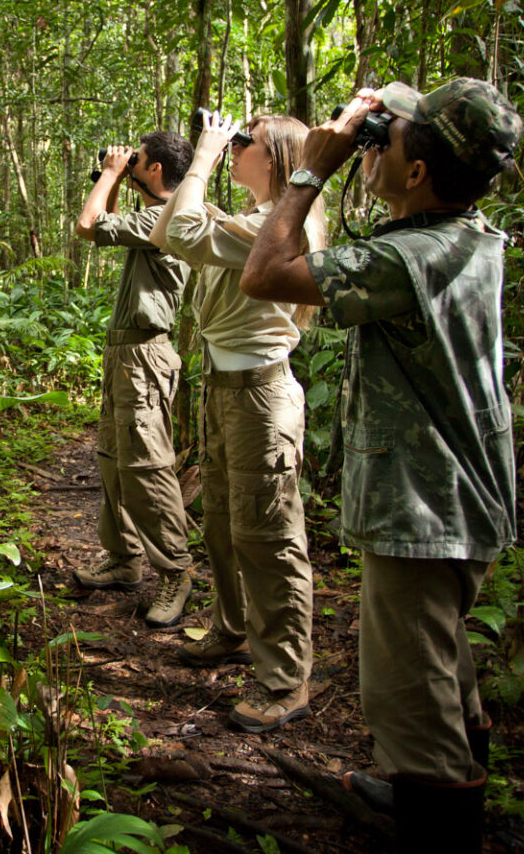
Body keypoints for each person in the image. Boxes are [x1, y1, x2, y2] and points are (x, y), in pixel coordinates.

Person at [234, 79, 521, 853]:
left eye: (388, 142)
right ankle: (430, 788)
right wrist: (384, 122)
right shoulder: (468, 233)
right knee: (442, 661)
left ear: (422, 172)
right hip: (461, 492)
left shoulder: (411, 258)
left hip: (426, 503)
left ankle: (433, 813)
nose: (373, 146)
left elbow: (263, 276)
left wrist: (309, 171)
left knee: (411, 690)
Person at [148, 113, 327, 733]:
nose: (233, 146)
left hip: (260, 397)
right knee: (222, 521)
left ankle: (285, 679)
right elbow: (173, 231)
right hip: (225, 388)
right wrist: (202, 167)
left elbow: (188, 229)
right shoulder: (254, 219)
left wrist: (201, 154)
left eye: (243, 140)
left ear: (274, 156)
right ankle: (232, 629)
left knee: (269, 536)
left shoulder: (275, 225)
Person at [71, 132, 196, 629]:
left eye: (137, 160)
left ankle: (175, 570)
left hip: (145, 354)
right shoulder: (154, 213)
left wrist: (109, 174)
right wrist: (121, 177)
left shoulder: (166, 218)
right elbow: (107, 224)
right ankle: (124, 558)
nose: (126, 162)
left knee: (145, 463)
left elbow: (89, 225)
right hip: (125, 352)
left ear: (157, 170)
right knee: (113, 458)